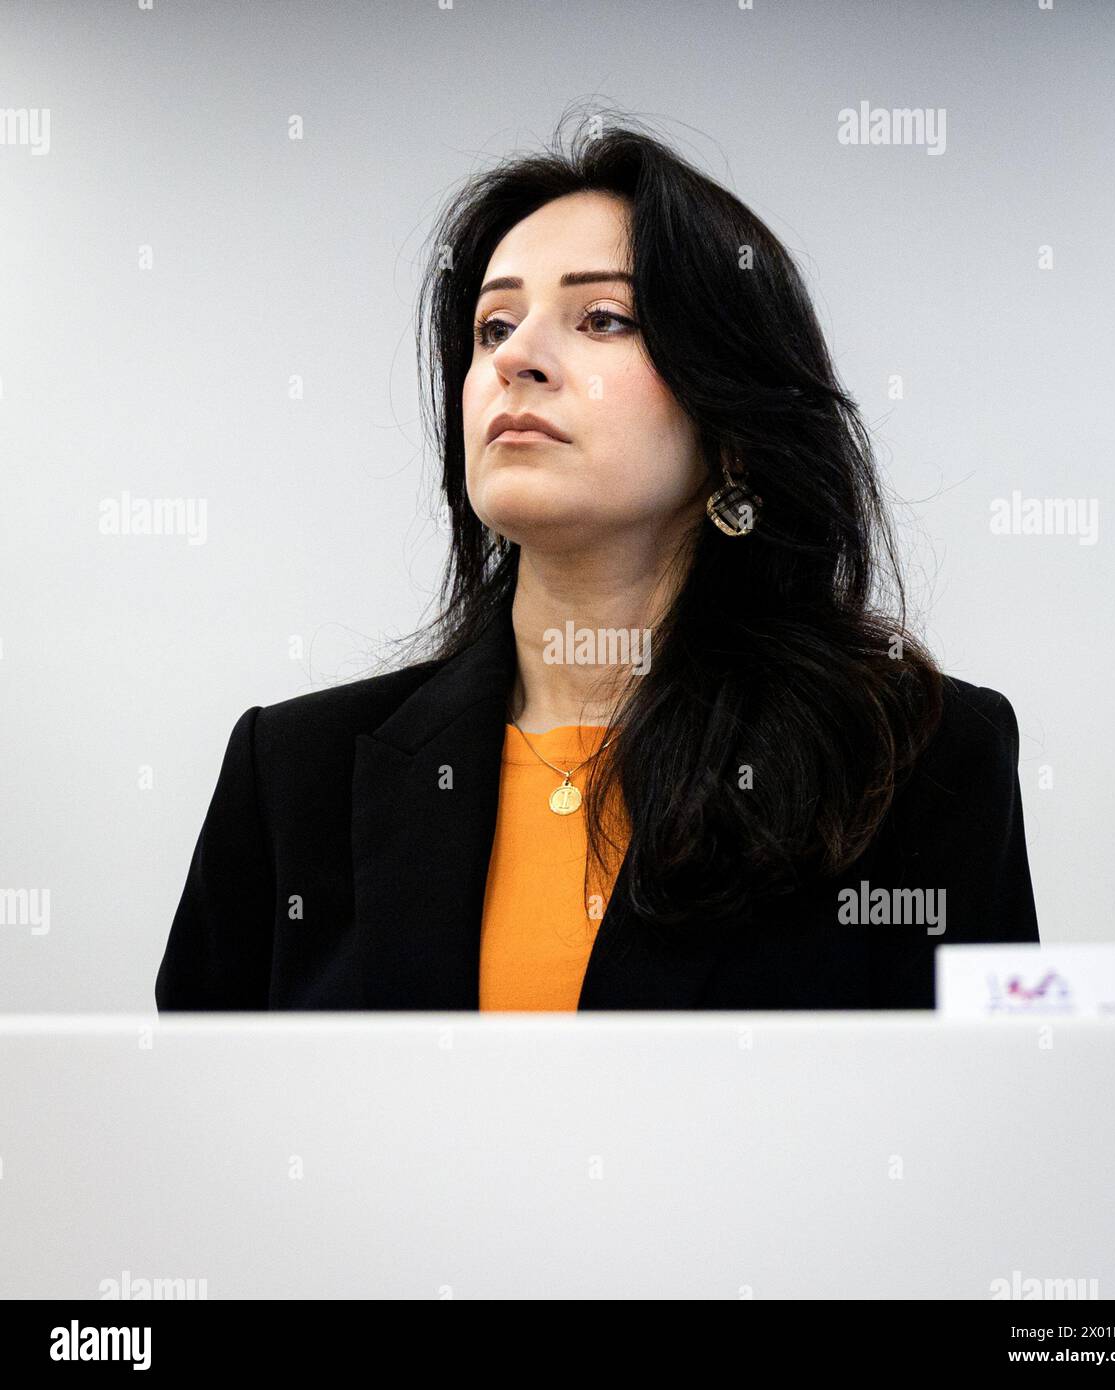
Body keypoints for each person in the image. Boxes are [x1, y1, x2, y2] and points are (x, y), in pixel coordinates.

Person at [155, 111, 1038, 1014]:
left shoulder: (911, 757)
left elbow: (972, 1131)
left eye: (602, 318)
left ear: (734, 426)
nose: (519, 360)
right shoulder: (293, 774)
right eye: (492, 327)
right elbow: (199, 1136)